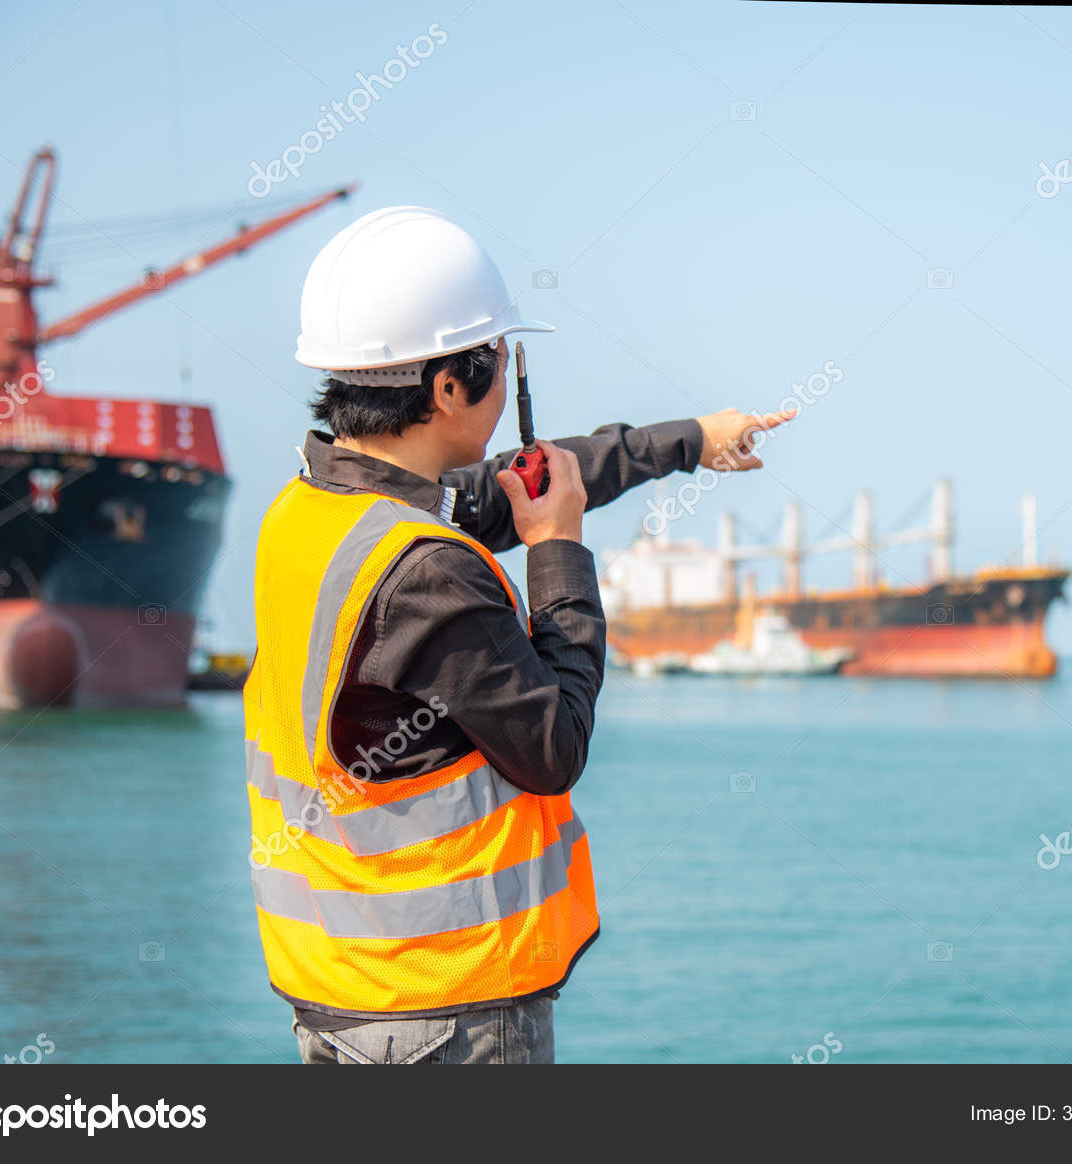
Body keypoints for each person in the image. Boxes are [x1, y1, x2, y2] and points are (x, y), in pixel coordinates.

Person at [243, 206, 793, 1064]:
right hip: (445, 1013)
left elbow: (523, 483)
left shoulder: (311, 509)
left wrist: (687, 443)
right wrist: (560, 552)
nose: (507, 387)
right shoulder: (424, 568)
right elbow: (552, 744)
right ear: (449, 388)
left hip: (342, 985)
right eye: (501, 363)